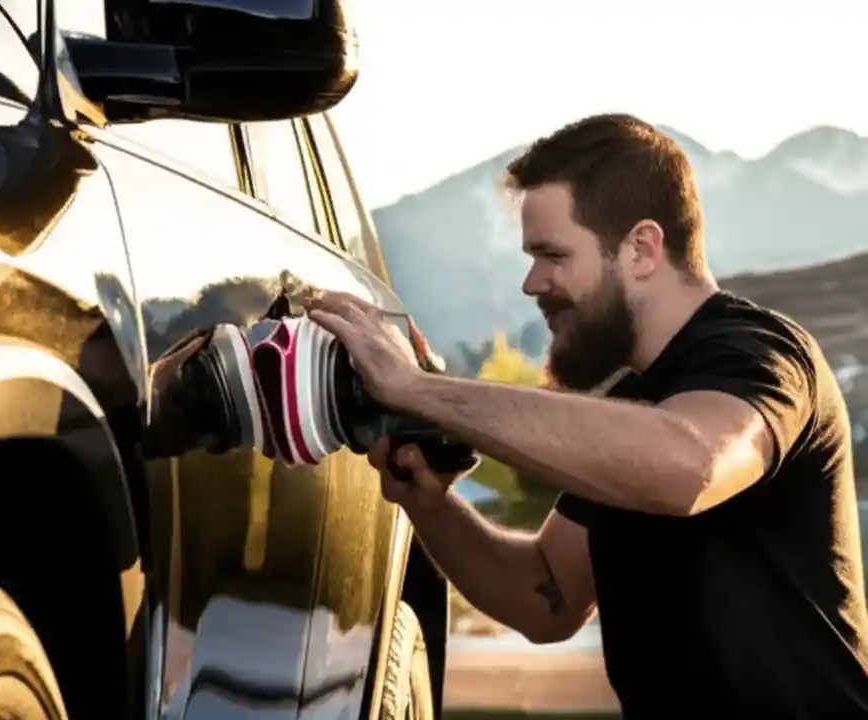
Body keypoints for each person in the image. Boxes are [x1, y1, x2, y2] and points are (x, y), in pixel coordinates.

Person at [306, 113, 868, 718]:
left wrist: (417, 390)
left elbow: (690, 466)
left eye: (552, 255)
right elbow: (546, 597)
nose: (532, 283)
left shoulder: (761, 355)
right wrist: (432, 506)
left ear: (642, 248)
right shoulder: (627, 408)